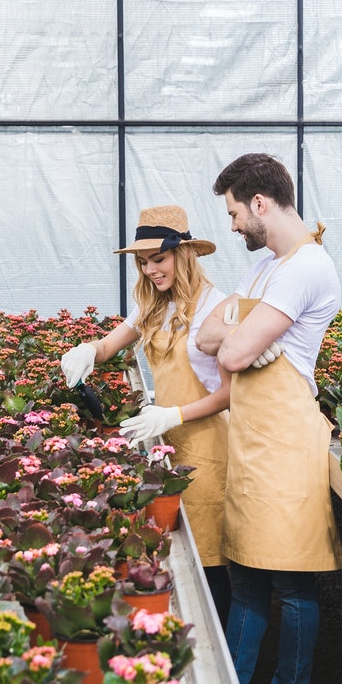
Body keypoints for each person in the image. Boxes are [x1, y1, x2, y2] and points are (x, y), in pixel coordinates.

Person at [195, 152, 342, 684]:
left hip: (284, 441)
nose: (232, 227)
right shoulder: (268, 271)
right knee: (249, 574)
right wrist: (239, 332)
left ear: (260, 203)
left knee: (292, 581)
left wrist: (234, 337)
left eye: (234, 213)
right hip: (253, 439)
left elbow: (224, 354)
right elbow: (204, 336)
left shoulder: (305, 267)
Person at [60, 205, 233, 615]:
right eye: (143, 263)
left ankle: (228, 661)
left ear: (184, 254)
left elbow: (229, 393)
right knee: (175, 557)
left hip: (207, 448)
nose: (151, 271)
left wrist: (173, 415)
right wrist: (87, 351)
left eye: (159, 259)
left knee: (209, 563)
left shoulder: (217, 306)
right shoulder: (152, 306)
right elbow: (107, 346)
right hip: (165, 445)